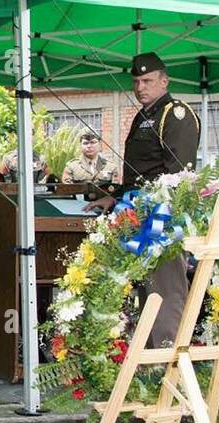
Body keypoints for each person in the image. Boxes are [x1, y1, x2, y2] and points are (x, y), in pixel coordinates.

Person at [85, 52, 200, 347]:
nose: (140, 87)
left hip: (163, 222)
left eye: (147, 80)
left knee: (165, 293)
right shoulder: (145, 116)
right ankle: (149, 365)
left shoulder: (175, 114)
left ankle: (168, 363)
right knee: (148, 294)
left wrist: (149, 208)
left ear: (164, 80)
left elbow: (177, 178)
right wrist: (116, 199)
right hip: (139, 217)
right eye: (136, 81)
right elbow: (138, 173)